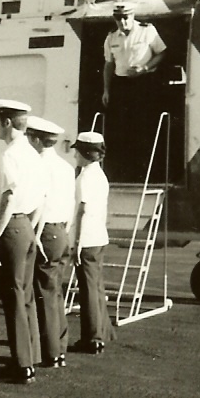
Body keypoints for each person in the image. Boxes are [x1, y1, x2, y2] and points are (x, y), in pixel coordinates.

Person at [0, 99, 46, 385]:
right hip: (26, 227)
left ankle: (20, 366)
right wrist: (30, 228)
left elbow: (8, 197)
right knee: (26, 296)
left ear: (7, 122)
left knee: (13, 297)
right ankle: (30, 358)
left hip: (11, 228)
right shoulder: (33, 154)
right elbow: (42, 198)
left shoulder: (10, 155)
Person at [26, 116, 74, 370]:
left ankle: (50, 352)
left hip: (45, 231)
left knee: (43, 293)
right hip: (62, 230)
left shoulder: (38, 166)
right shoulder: (65, 167)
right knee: (54, 292)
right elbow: (71, 203)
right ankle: (59, 348)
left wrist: (35, 233)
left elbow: (41, 203)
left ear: (36, 139)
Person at [102, 1, 166, 179]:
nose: (122, 22)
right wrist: (106, 90)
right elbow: (108, 64)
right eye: (118, 18)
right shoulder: (112, 38)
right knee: (123, 129)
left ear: (132, 16)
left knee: (144, 127)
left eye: (125, 17)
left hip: (144, 83)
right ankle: (126, 171)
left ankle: (148, 171)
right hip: (121, 85)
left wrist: (144, 68)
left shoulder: (147, 31)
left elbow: (162, 53)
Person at [69, 131, 111, 353]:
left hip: (86, 240)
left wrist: (76, 243)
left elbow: (82, 211)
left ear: (84, 153)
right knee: (95, 287)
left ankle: (92, 339)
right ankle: (101, 334)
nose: (74, 154)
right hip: (98, 237)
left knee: (87, 290)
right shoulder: (100, 175)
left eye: (77, 150)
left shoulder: (84, 177)